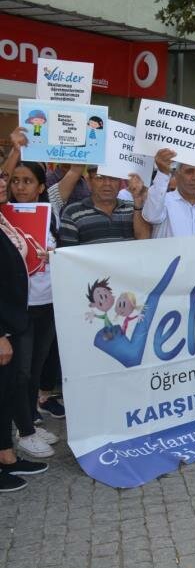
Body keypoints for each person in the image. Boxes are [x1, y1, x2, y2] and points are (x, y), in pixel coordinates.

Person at [1, 172, 49, 491]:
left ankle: (7, 454)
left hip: (14, 318)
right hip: (4, 324)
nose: (5, 185)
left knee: (8, 388)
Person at [58, 167, 149, 246]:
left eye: (113, 178)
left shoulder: (133, 209)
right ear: (89, 181)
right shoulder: (73, 213)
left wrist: (137, 201)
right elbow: (68, 256)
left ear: (120, 182)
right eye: (99, 178)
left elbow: (144, 240)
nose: (107, 183)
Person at [142, 149, 195, 238]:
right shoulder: (164, 202)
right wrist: (163, 172)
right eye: (189, 172)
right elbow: (151, 216)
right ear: (177, 175)